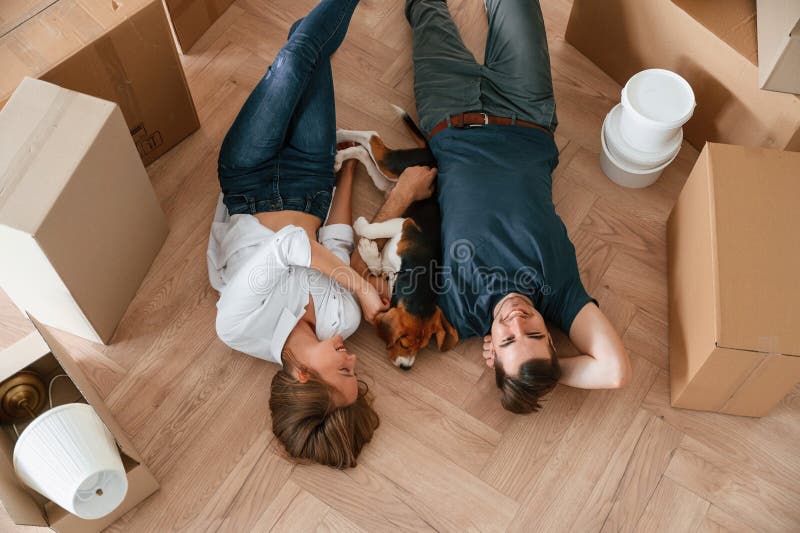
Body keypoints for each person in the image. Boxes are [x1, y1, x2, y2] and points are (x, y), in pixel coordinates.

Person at [355, 0, 631, 414]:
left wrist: (401, 197)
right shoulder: (558, 290)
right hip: (526, 112)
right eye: (535, 336)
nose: (517, 322)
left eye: (506, 341)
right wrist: (550, 369)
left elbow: (367, 282)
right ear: (551, 339)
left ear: (490, 352)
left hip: (449, 115)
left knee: (425, 9)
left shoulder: (455, 314)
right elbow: (614, 371)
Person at [207, 0, 383, 468]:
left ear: (304, 376)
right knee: (310, 49)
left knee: (299, 55)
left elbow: (290, 247)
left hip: (249, 181)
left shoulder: (237, 328)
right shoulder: (341, 323)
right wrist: (347, 171)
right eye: (355, 373)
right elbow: (336, 243)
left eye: (342, 373)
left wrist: (364, 290)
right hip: (310, 181)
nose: (353, 362)